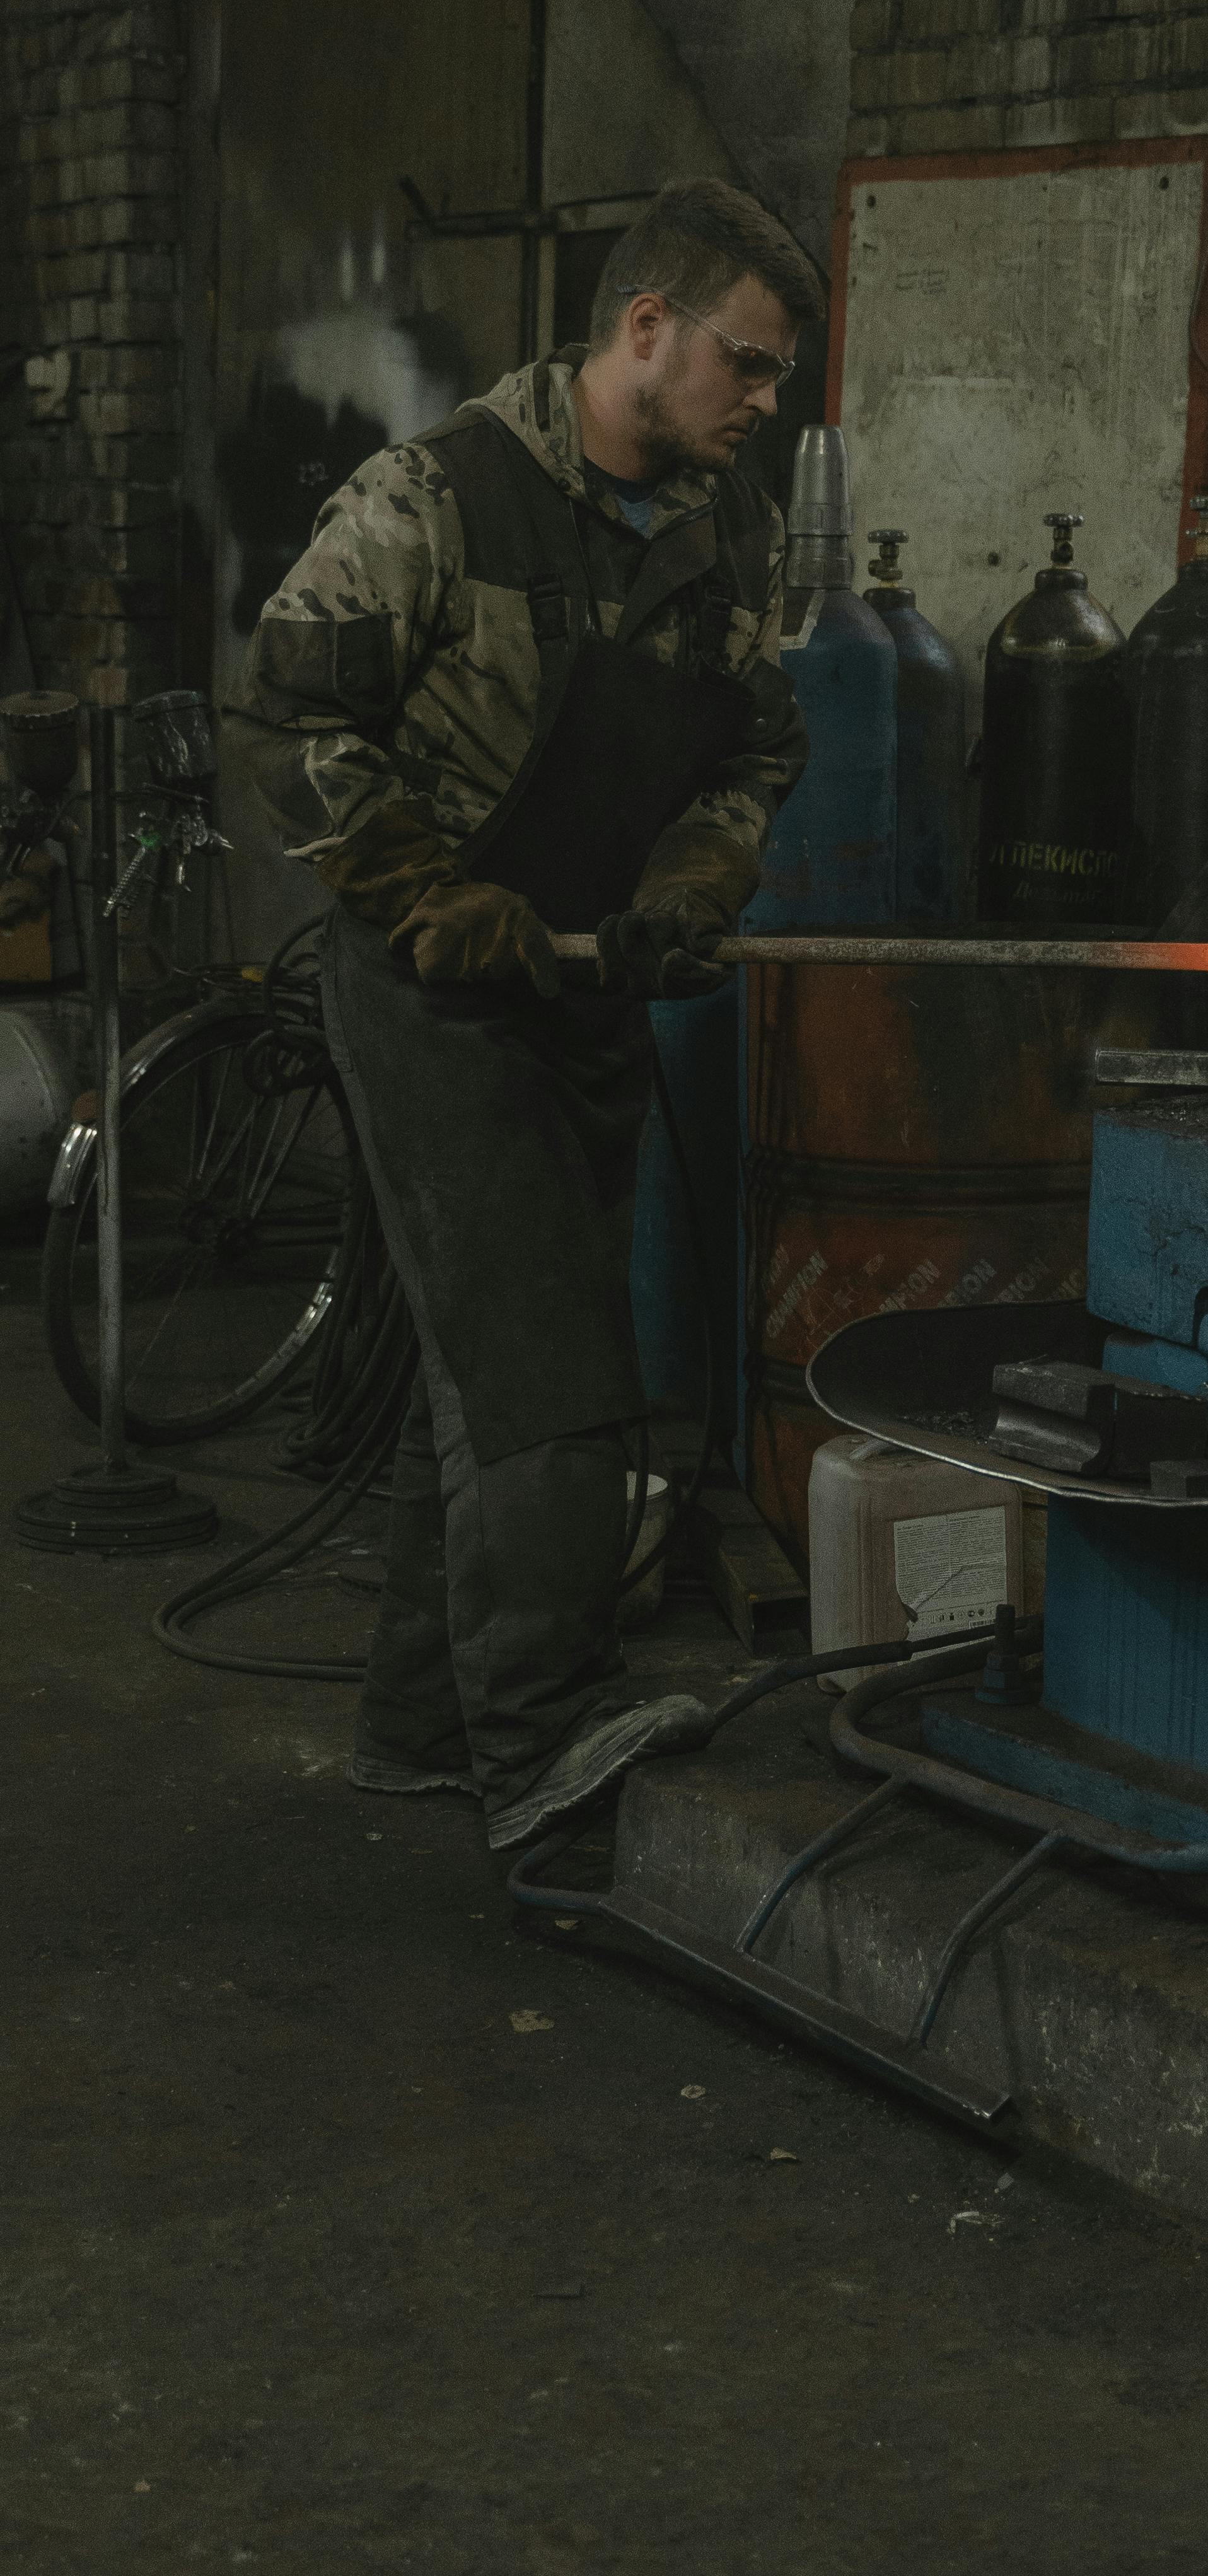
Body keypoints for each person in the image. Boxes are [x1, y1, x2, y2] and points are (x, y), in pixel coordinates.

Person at [229, 180, 818, 1850]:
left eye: (778, 377)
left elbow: (755, 745)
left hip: (587, 979)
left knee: (487, 1375)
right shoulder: (437, 496)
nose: (766, 401)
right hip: (431, 985)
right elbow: (286, 722)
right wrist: (426, 891)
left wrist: (696, 877)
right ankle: (540, 1737)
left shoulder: (729, 528)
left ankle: (424, 1721)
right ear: (647, 327)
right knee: (550, 1369)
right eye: (749, 364)